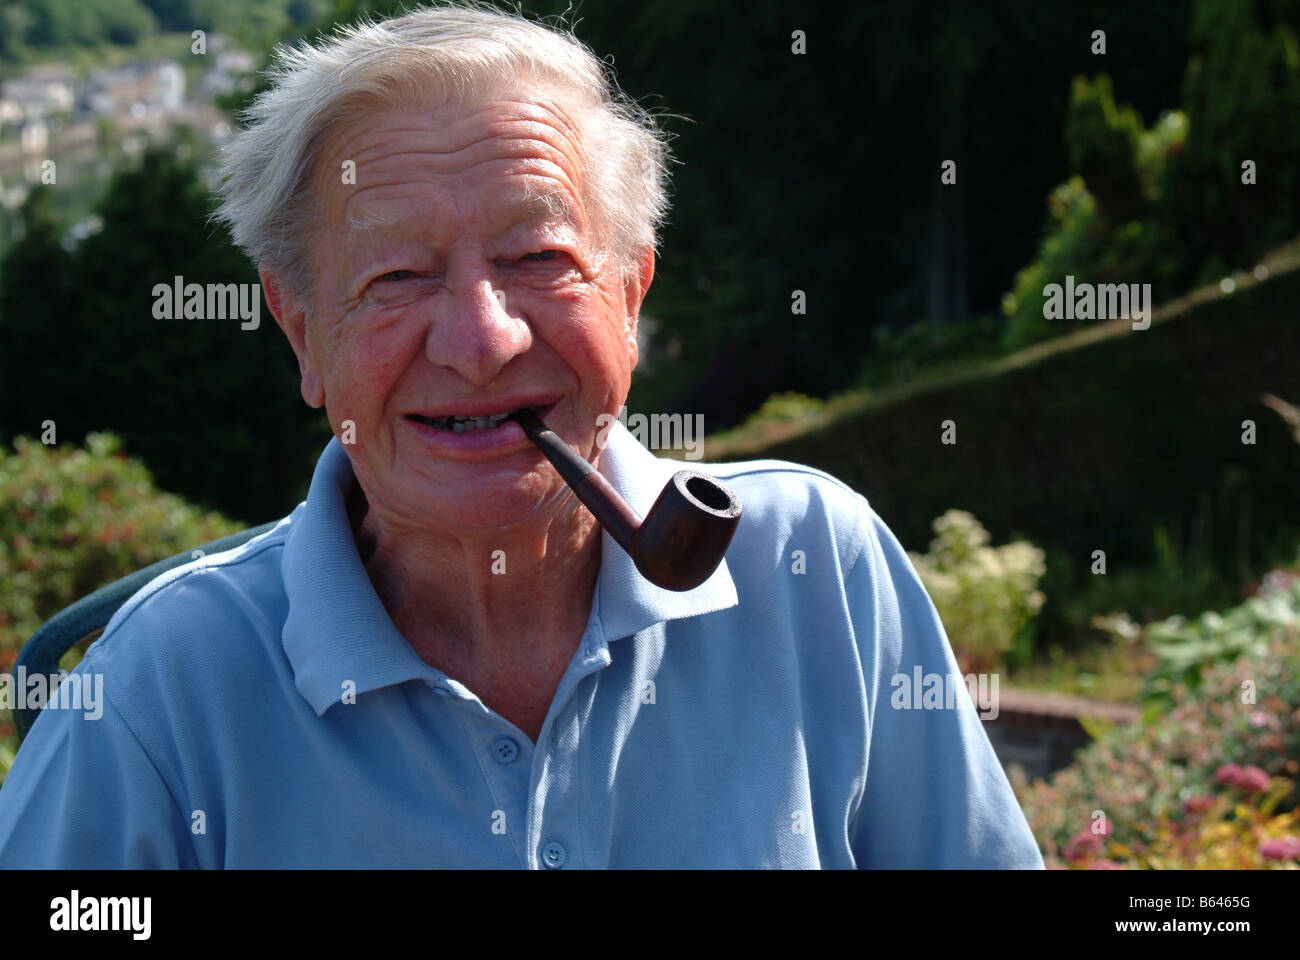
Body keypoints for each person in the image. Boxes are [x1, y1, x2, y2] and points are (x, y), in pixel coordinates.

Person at [0, 3, 1043, 868]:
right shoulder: (155, 698)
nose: (482, 341)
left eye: (539, 257)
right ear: (302, 332)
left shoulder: (815, 568)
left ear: (629, 295)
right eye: (397, 276)